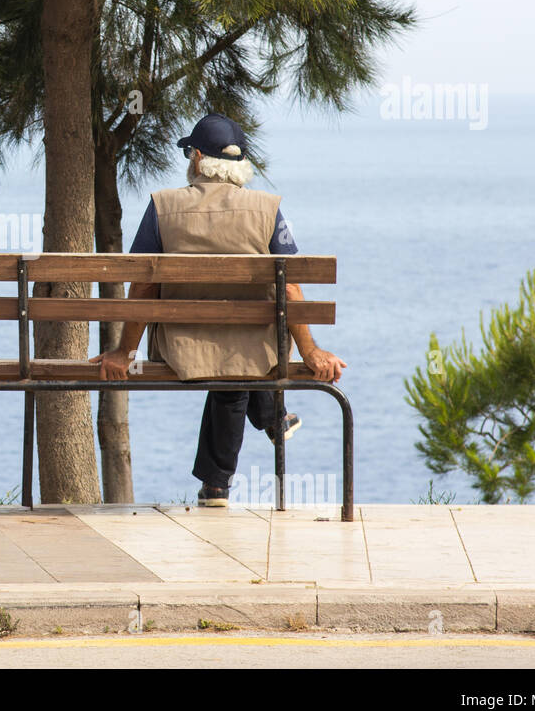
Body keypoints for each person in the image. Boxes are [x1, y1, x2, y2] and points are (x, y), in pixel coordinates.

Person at [90, 113, 347, 507]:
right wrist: (311, 350)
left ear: (196, 157)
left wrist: (124, 352)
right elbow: (290, 285)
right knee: (242, 355)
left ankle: (220, 480)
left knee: (231, 363)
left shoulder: (163, 206)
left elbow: (143, 284)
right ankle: (260, 432)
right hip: (257, 346)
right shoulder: (268, 208)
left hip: (183, 345)